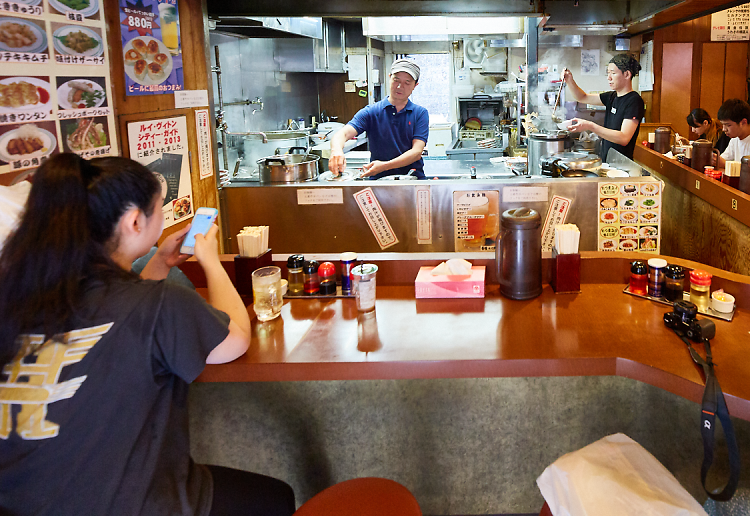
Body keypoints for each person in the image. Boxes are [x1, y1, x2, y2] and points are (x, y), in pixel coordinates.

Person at [0, 154, 295, 516]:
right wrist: (210, 261)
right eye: (161, 208)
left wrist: (158, 264)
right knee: (275, 497)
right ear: (135, 221)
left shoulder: (20, 298)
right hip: (135, 505)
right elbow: (235, 340)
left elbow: (118, 314)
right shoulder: (162, 304)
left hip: (20, 503)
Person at [328, 58, 430, 179]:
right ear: (389, 77)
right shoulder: (372, 112)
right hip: (379, 182)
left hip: (412, 180)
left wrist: (385, 166)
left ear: (415, 85)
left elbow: (416, 152)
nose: (399, 86)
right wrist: (336, 151)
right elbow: (343, 133)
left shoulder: (419, 113)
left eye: (407, 83)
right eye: (396, 80)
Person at [563, 54, 645, 162]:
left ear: (627, 74)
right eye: (608, 73)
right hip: (608, 162)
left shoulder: (634, 101)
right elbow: (582, 97)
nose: (609, 77)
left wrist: (590, 126)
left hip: (622, 165)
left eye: (613, 73)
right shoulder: (612, 97)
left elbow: (623, 138)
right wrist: (569, 80)